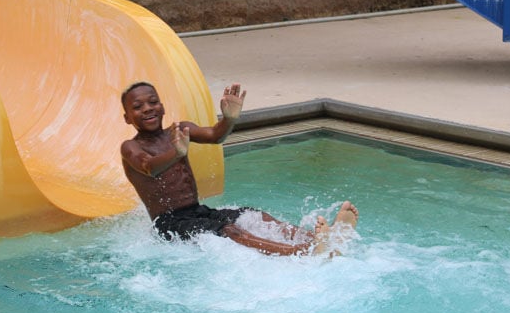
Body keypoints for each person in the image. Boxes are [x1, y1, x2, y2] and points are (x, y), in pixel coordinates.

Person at [120, 81, 359, 256]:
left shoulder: (179, 130)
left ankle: (324, 238)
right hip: (169, 223)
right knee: (231, 231)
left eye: (153, 102)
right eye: (138, 106)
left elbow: (215, 135)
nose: (148, 108)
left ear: (162, 106)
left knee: (254, 216)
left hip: (197, 210)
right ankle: (302, 252)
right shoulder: (130, 147)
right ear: (127, 118)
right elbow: (148, 167)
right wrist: (178, 153)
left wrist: (230, 119)